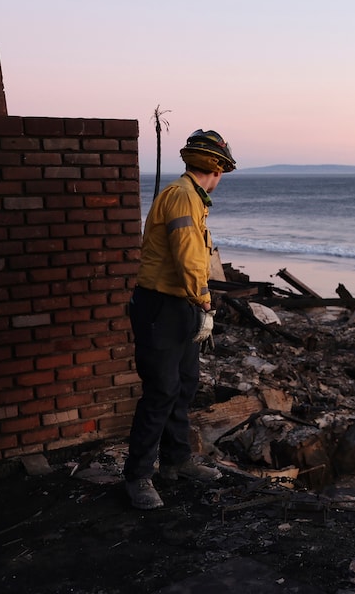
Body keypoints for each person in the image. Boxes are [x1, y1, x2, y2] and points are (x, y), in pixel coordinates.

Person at [124, 129, 237, 510]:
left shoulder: (189, 198)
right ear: (217, 170)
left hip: (178, 307)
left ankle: (176, 461)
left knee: (183, 385)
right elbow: (189, 260)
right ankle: (138, 476)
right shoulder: (184, 198)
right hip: (162, 308)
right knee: (160, 391)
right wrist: (205, 304)